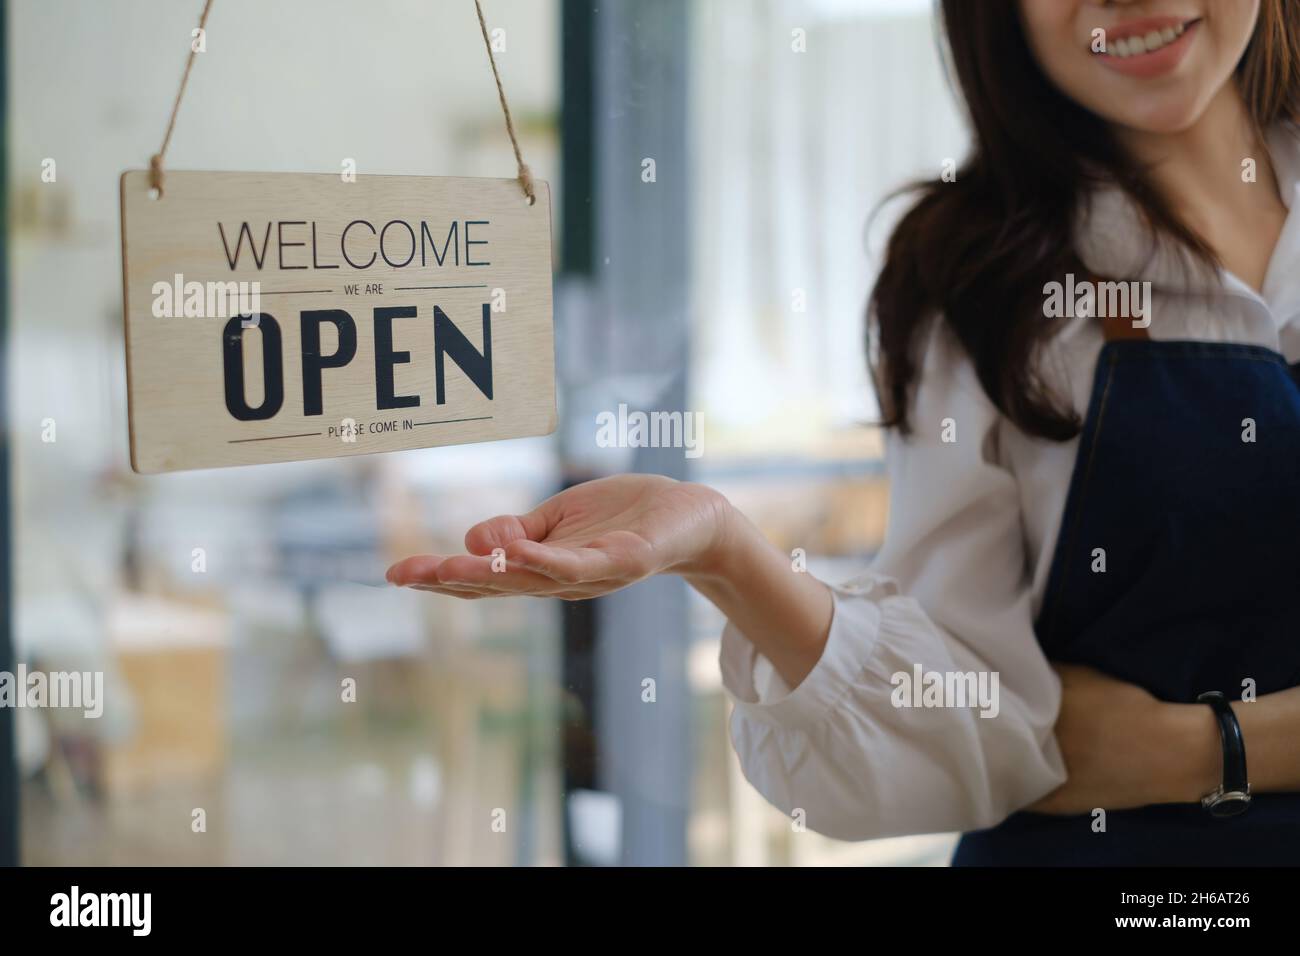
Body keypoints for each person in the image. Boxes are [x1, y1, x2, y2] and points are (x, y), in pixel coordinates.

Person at [388, 0, 1300, 865]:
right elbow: (976, 716)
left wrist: (1206, 749)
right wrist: (728, 552)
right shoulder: (985, 279)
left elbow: (1087, 750)